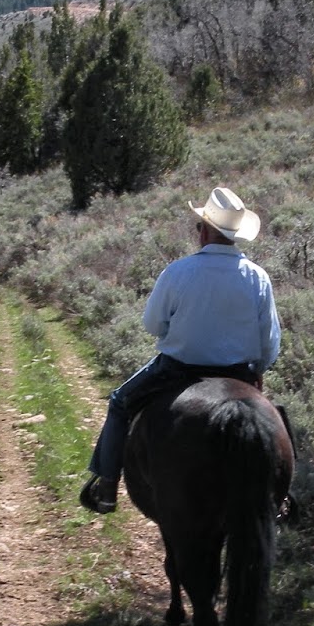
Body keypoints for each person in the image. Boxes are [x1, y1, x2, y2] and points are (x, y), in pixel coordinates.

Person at [80, 186, 281, 514]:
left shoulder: (177, 272)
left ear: (203, 231)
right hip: (239, 374)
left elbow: (152, 325)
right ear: (235, 236)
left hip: (177, 369)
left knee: (119, 403)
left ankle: (106, 488)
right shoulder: (258, 278)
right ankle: (280, 498)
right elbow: (269, 345)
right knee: (274, 422)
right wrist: (256, 370)